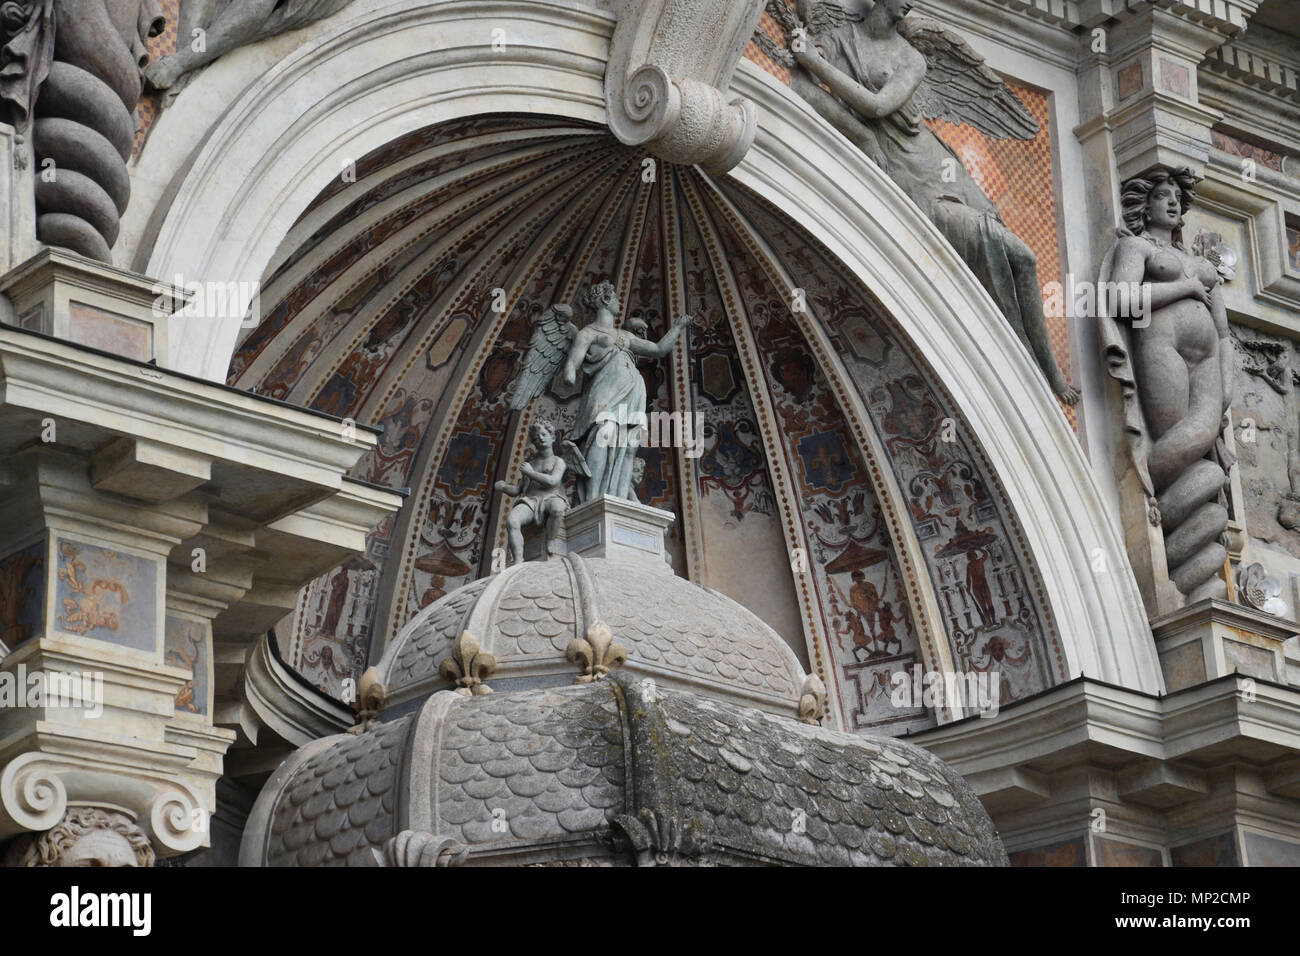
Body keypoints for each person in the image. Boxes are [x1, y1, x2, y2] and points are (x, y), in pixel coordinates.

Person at [560, 281, 689, 501]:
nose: (620, 302)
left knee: (629, 447)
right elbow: (574, 360)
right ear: (606, 300)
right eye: (617, 298)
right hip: (605, 392)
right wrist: (570, 373)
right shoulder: (588, 333)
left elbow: (658, 349)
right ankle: (592, 499)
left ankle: (619, 500)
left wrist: (677, 327)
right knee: (604, 434)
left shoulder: (625, 335)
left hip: (633, 391)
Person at [494, 419, 568, 565]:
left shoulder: (558, 461)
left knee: (558, 509)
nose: (540, 438)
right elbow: (518, 489)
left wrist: (530, 472)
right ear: (533, 443)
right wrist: (504, 487)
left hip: (552, 497)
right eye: (535, 438)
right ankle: (518, 559)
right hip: (531, 500)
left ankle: (551, 540)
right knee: (512, 520)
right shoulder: (531, 464)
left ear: (552, 437)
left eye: (543, 434)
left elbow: (553, 481)